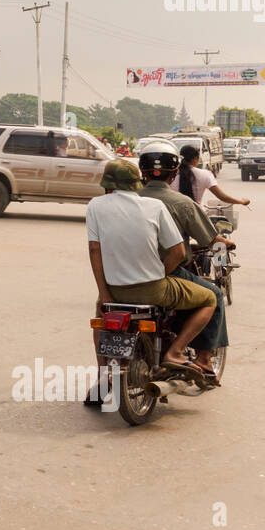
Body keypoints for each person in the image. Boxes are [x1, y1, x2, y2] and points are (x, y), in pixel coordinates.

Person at [85, 159, 216, 395]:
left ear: (107, 184)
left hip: (114, 290)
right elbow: (178, 252)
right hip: (154, 289)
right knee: (209, 299)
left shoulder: (96, 205)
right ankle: (175, 352)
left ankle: (102, 377)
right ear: (137, 182)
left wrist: (104, 293)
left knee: (101, 318)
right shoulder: (154, 207)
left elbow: (95, 250)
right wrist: (160, 274)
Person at [137, 142, 230, 379]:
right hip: (165, 272)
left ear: (142, 171)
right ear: (175, 172)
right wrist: (225, 243)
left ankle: (102, 373)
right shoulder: (183, 202)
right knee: (214, 295)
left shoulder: (128, 201)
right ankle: (203, 359)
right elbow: (209, 240)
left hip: (126, 273)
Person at [174, 144, 249, 209]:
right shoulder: (205, 174)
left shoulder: (172, 173)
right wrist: (241, 201)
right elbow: (222, 197)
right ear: (195, 159)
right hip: (196, 217)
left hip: (172, 217)